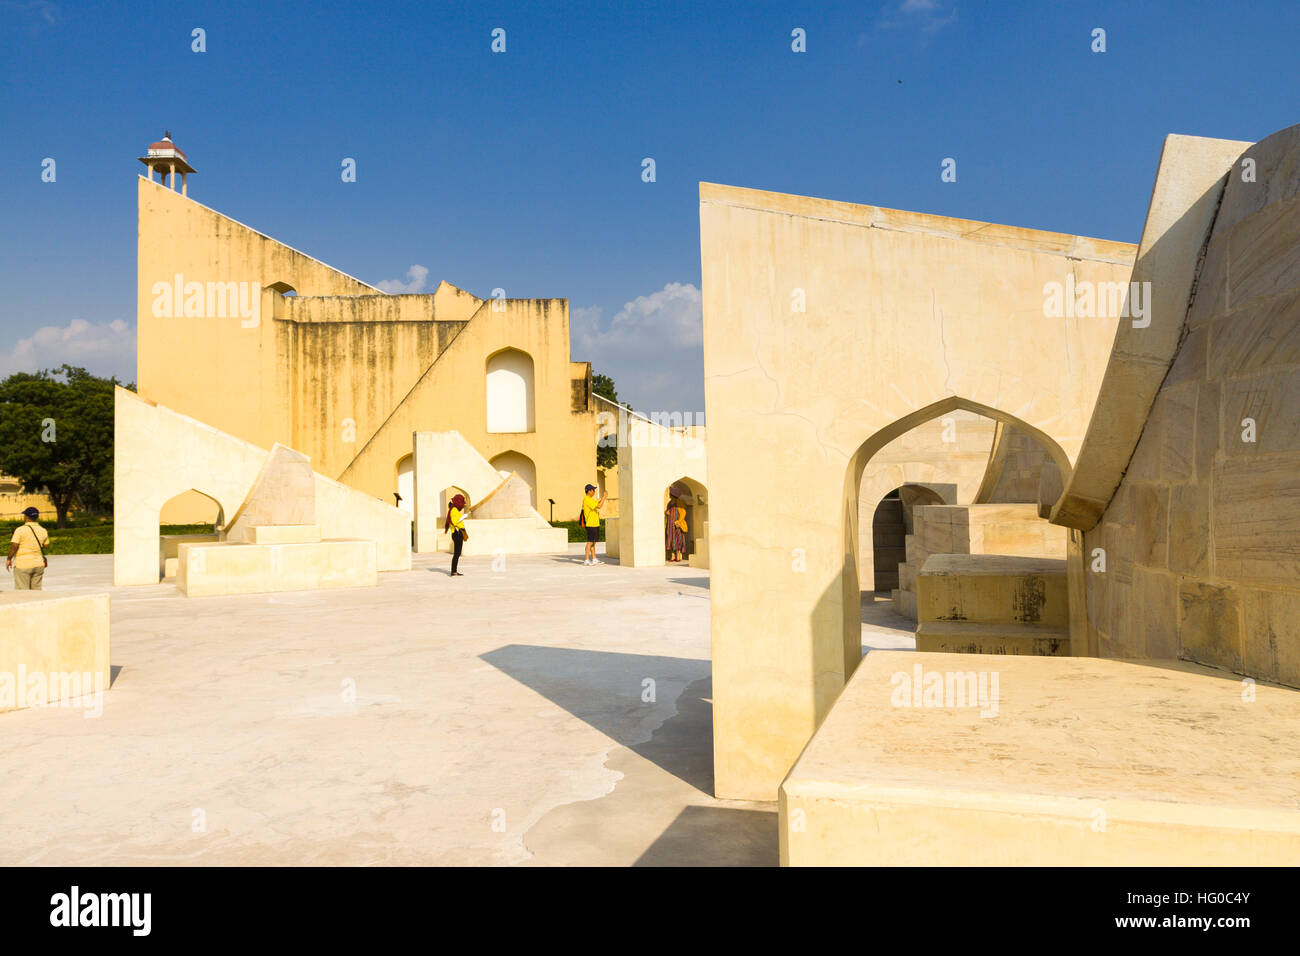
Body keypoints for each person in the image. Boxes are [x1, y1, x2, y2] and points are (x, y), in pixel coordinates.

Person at [7, 506, 50, 590]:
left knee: (22, 592)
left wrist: (9, 559)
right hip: (38, 564)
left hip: (23, 565)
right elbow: (46, 545)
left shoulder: (20, 530)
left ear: (26, 517)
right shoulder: (43, 530)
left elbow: (14, 546)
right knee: (36, 592)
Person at [580, 483, 607, 566]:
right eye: (593, 490)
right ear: (589, 491)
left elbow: (597, 502)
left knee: (593, 542)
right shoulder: (587, 499)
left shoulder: (590, 499)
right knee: (590, 542)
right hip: (590, 524)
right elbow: (599, 506)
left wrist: (602, 498)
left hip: (595, 523)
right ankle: (586, 560)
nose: (594, 492)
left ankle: (594, 558)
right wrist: (604, 497)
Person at [444, 494, 469, 576]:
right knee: (457, 553)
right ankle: (453, 571)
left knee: (457, 553)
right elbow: (455, 522)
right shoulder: (454, 510)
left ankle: (454, 571)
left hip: (457, 533)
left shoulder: (454, 510)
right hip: (457, 533)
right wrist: (463, 517)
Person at [665, 497, 688, 562]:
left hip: (678, 524)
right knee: (670, 539)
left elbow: (683, 512)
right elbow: (667, 511)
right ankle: (673, 556)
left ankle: (678, 555)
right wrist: (667, 512)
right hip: (670, 524)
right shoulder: (670, 503)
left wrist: (679, 521)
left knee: (679, 538)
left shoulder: (680, 502)